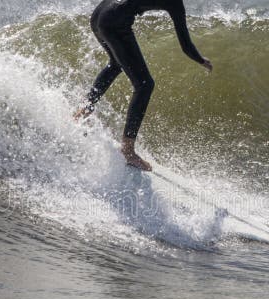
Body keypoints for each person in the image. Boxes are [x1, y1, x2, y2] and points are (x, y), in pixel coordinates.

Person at [74, 0, 212, 171]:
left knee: (116, 64)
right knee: (145, 85)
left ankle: (84, 110)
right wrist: (201, 60)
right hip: (115, 23)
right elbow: (185, 45)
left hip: (98, 16)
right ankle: (128, 150)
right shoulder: (175, 3)